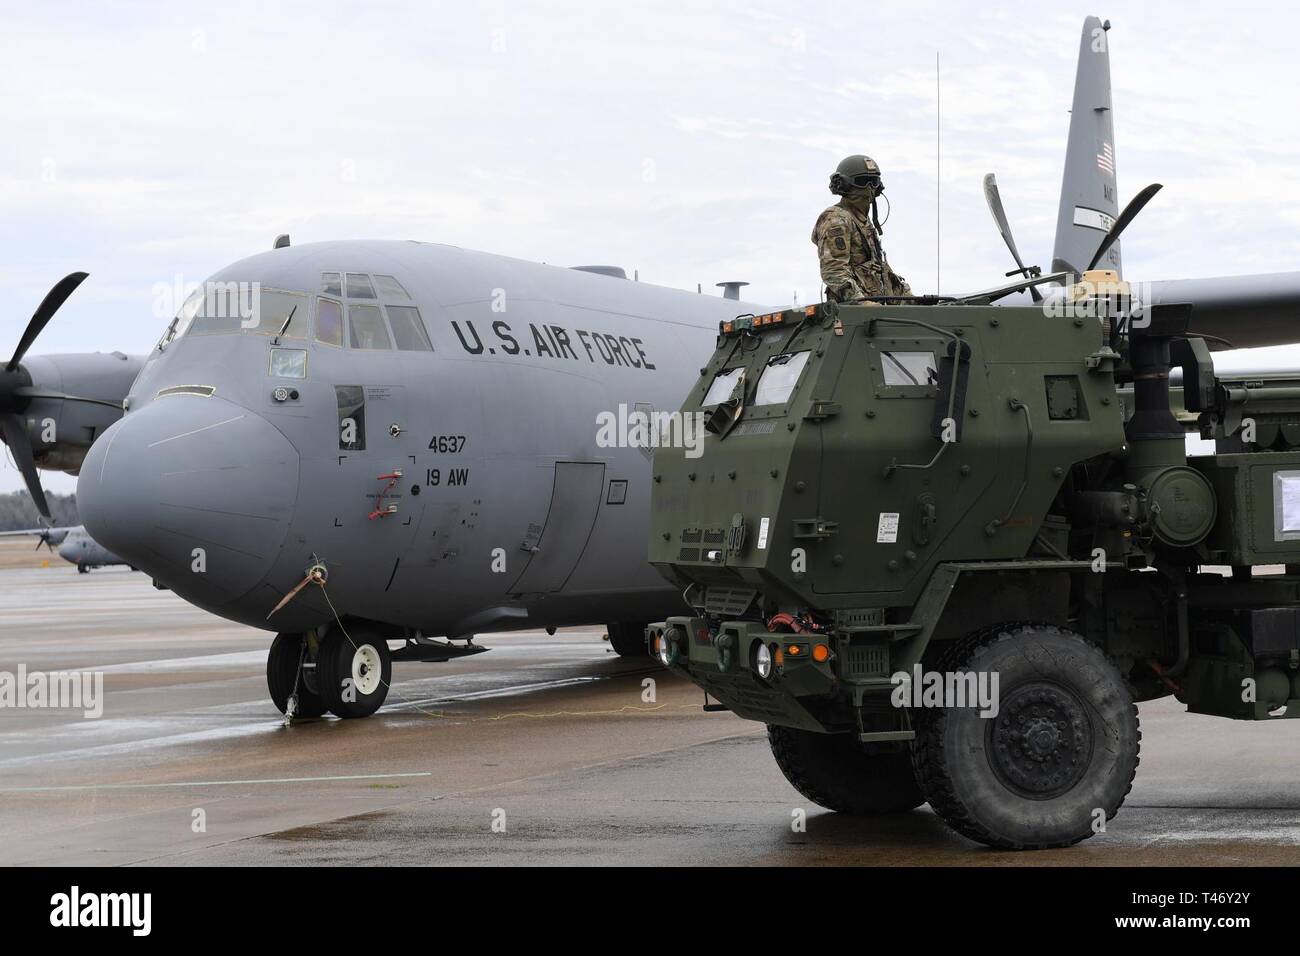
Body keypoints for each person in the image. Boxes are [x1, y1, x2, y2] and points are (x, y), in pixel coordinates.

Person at [812, 154, 911, 301]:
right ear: (844, 185)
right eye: (863, 181)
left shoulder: (863, 221)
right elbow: (834, 271)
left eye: (874, 181)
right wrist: (860, 302)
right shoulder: (836, 219)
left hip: (878, 309)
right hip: (854, 314)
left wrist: (910, 299)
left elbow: (879, 271)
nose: (869, 188)